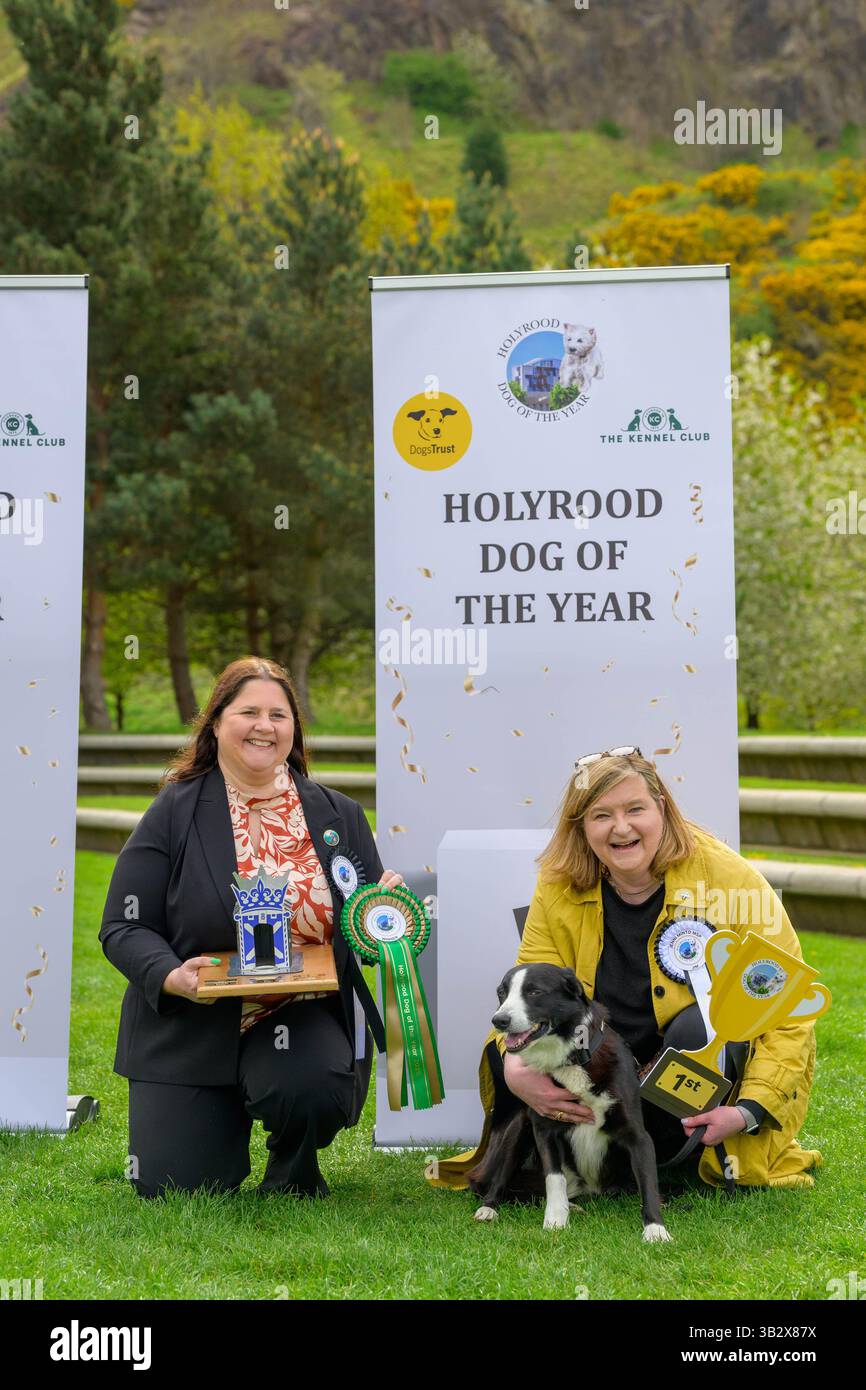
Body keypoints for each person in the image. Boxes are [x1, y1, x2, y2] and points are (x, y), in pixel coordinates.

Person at [427, 747, 823, 1195]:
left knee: (700, 1026)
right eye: (601, 815)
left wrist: (748, 1110)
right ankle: (605, 1166)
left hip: (679, 1088)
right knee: (515, 1053)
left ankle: (671, 1153)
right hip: (600, 1077)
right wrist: (514, 1063)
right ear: (581, 827)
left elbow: (786, 1008)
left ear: (662, 807)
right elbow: (528, 992)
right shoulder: (557, 882)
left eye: (635, 809)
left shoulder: (729, 877)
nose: (621, 828)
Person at [99, 656, 401, 1200]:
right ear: (216, 723)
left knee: (312, 1086)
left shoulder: (339, 816)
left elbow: (369, 940)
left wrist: (385, 916)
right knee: (179, 1188)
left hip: (295, 1015)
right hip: (192, 1021)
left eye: (278, 714)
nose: (265, 726)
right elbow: (124, 926)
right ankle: (213, 1117)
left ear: (294, 729)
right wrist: (170, 976)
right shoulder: (173, 810)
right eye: (249, 712)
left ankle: (294, 1164)